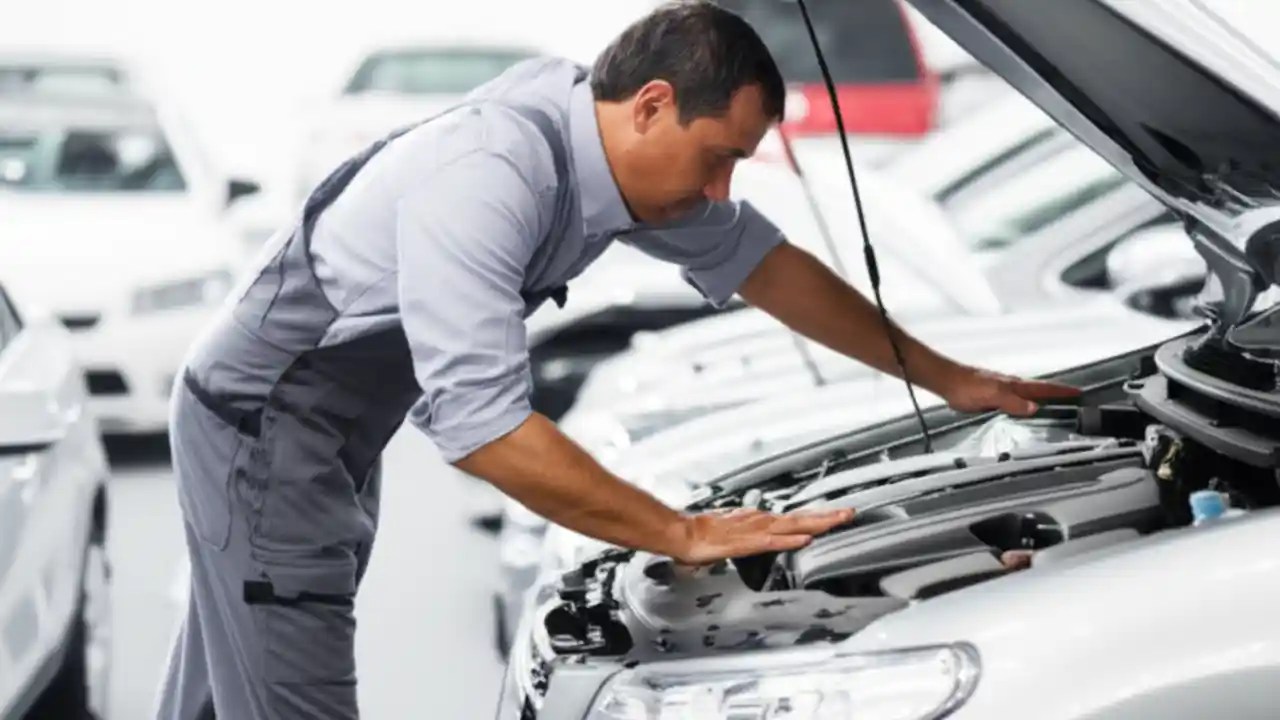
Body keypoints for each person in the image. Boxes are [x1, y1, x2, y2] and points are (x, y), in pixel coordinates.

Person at [155, 2, 1079, 718]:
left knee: (235, 666)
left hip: (326, 425)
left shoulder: (592, 143)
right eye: (718, 159)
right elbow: (485, 431)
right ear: (651, 105)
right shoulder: (491, 177)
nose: (721, 190)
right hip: (264, 426)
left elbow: (768, 263)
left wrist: (949, 378)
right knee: (289, 659)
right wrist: (677, 532)